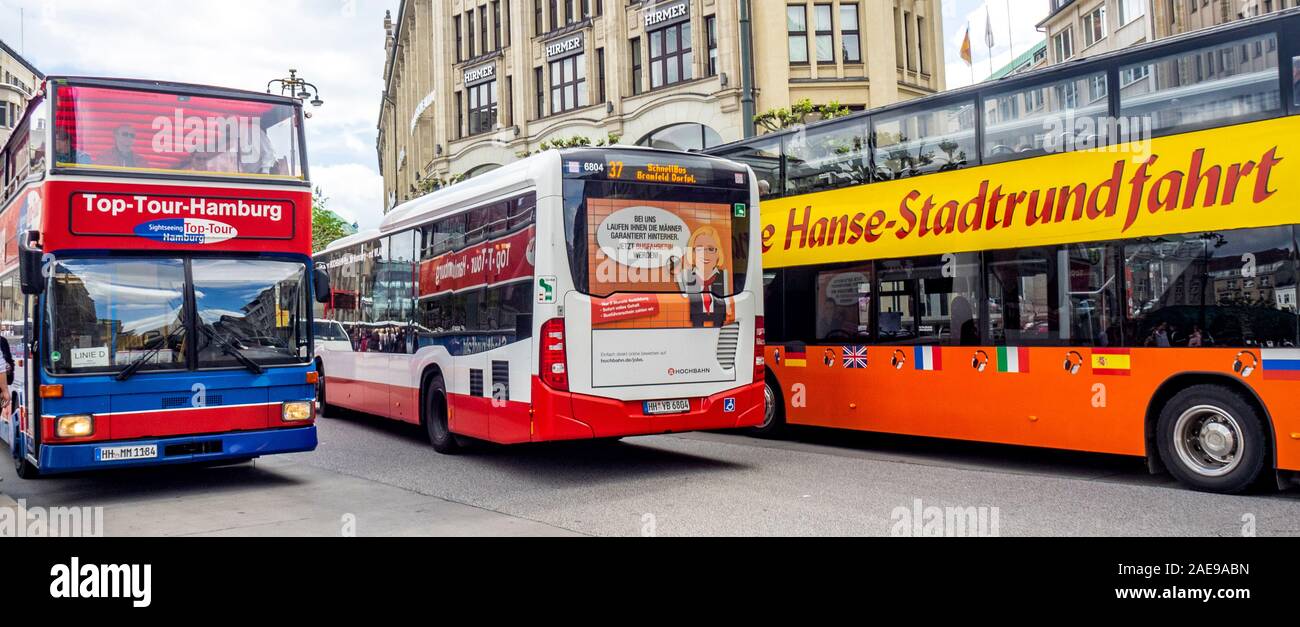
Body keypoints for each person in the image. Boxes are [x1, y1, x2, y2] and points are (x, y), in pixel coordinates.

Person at [677, 225, 729, 328]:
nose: (705, 254)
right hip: (695, 317)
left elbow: (727, 298)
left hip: (719, 317)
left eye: (710, 249)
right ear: (692, 253)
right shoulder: (684, 275)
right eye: (699, 249)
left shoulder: (723, 275)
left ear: (717, 253)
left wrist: (729, 310)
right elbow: (684, 299)